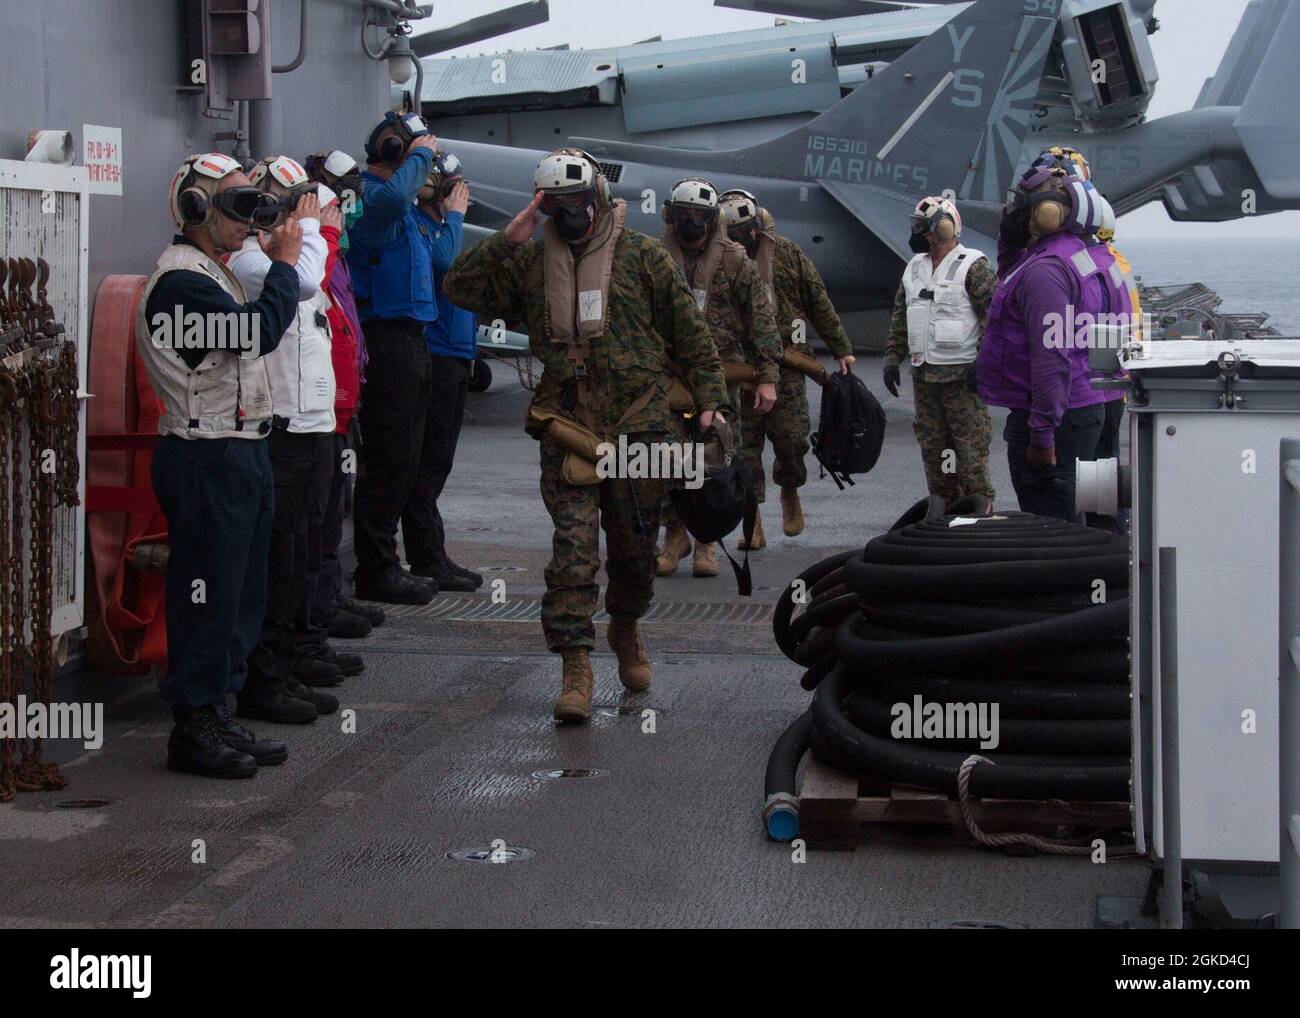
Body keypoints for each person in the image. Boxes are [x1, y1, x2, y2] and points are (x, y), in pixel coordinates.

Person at [443, 148, 728, 723]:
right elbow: (459, 288)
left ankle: (625, 627)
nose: (568, 212)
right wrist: (510, 238)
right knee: (572, 553)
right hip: (569, 427)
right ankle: (575, 665)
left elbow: (691, 335)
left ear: (596, 196)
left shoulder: (644, 257)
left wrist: (711, 404)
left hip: (640, 432)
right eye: (555, 203)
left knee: (634, 553)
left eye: (575, 200)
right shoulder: (530, 262)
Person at [136, 152, 302, 778]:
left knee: (239, 594)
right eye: (237, 206)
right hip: (205, 455)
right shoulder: (180, 281)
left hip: (238, 449)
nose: (250, 220)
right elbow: (255, 333)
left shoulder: (215, 274)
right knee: (206, 594)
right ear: (195, 208)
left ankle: (218, 709)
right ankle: (193, 724)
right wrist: (284, 265)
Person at [227, 156, 347, 724]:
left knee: (304, 549)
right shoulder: (253, 259)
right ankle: (264, 677)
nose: (298, 211)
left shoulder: (289, 251)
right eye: (290, 200)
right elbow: (304, 281)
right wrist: (314, 230)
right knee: (280, 556)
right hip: (280, 425)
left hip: (313, 419)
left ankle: (292, 657)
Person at [976, 166, 1119, 523]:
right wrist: (1009, 237)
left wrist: (1041, 435)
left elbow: (1050, 357)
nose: (1013, 213)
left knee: (1053, 527)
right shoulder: (1087, 258)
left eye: (1022, 206)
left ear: (1048, 213)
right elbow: (1011, 273)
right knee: (1088, 515)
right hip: (1088, 406)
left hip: (1054, 419)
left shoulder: (1045, 271)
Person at [654, 177, 781, 578]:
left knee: (714, 459)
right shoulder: (654, 258)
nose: (690, 222)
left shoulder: (735, 262)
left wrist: (767, 376)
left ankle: (706, 542)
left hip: (721, 377)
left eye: (699, 215)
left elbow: (761, 321)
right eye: (683, 214)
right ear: (671, 215)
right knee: (667, 458)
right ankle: (675, 534)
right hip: (669, 376)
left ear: (712, 219)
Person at [719, 190, 855, 545]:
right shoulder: (717, 261)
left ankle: (790, 489)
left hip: (788, 363)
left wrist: (841, 347)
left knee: (792, 441)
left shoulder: (787, 254)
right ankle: (751, 518)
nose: (740, 240)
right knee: (744, 449)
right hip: (741, 368)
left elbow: (817, 300)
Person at [346, 110, 441, 605]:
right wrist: (420, 153)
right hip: (385, 341)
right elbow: (393, 197)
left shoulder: (399, 204)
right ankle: (376, 569)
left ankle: (389, 563)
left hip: (411, 339)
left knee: (407, 460)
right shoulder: (372, 198)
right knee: (387, 461)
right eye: (416, 156)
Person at [302, 149, 386, 638]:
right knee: (315, 519)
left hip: (339, 406)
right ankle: (316, 610)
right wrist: (326, 235)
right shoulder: (317, 260)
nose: (343, 216)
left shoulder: (339, 261)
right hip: (318, 410)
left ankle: (329, 597)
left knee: (332, 512)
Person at [402, 151, 484, 593]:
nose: (460, 194)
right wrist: (454, 217)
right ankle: (427, 557)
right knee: (428, 462)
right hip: (435, 354)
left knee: (439, 461)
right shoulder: (423, 227)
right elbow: (444, 264)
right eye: (453, 187)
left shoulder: (438, 228)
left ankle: (430, 553)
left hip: (453, 353)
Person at [881, 196, 996, 511]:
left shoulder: (974, 266)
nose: (916, 233)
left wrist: (983, 362)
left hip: (962, 379)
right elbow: (901, 316)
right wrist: (892, 358)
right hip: (925, 379)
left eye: (923, 227)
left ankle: (980, 516)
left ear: (943, 229)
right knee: (936, 453)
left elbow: (994, 318)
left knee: (971, 453)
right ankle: (945, 514)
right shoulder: (914, 269)